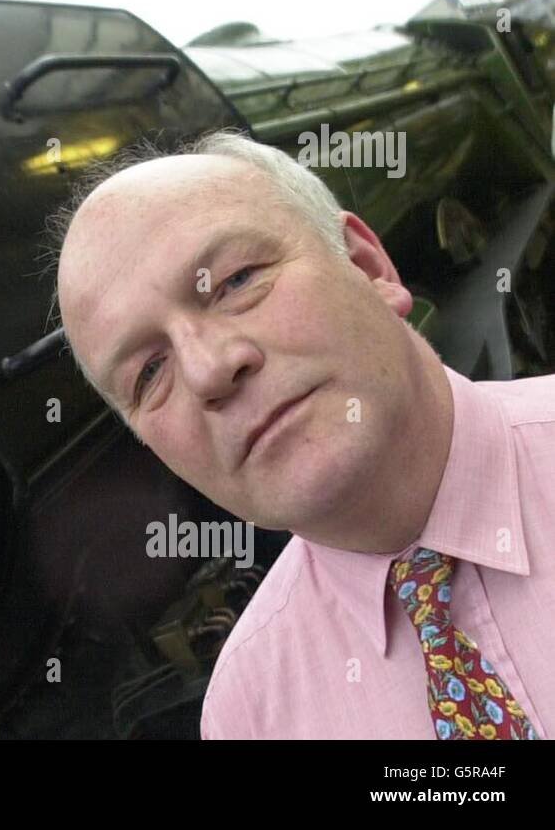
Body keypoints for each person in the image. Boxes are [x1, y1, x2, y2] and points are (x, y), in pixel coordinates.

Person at [51, 129, 555, 739]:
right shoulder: (249, 715)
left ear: (368, 267)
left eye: (237, 281)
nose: (210, 369)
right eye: (150, 373)